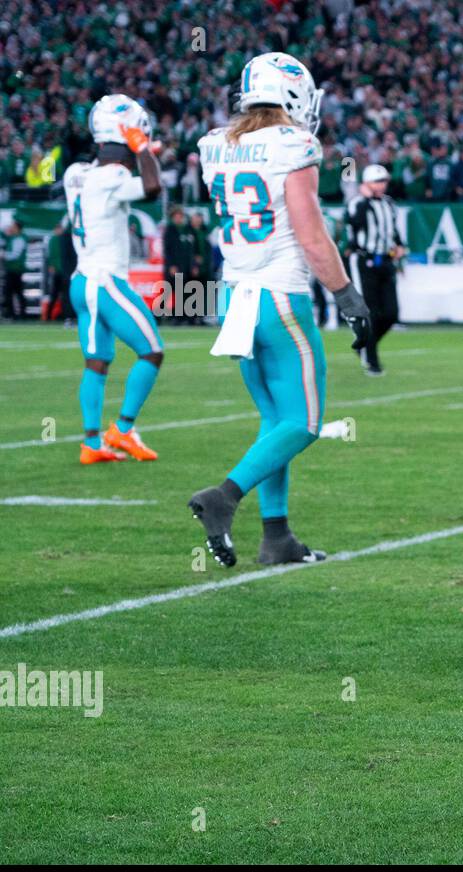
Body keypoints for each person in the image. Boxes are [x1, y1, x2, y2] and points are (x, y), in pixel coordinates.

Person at [188, 52, 371, 567]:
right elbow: (312, 236)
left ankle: (277, 538)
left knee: (275, 420)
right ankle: (223, 497)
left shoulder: (216, 145)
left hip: (235, 299)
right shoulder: (294, 144)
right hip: (279, 296)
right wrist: (346, 295)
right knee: (306, 422)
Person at [61, 95, 165, 464]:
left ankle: (91, 444)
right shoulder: (115, 177)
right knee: (152, 351)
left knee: (96, 363)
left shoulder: (75, 173)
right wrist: (143, 152)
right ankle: (122, 429)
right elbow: (153, 188)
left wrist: (141, 152)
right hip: (106, 281)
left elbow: (110, 172)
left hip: (81, 281)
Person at [346, 164, 405, 374]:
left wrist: (400, 246)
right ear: (367, 183)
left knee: (391, 313)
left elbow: (393, 230)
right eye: (378, 181)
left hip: (386, 261)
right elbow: (354, 223)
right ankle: (372, 361)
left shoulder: (389, 203)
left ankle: (365, 345)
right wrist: (366, 197)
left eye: (384, 181)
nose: (383, 185)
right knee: (370, 312)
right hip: (365, 261)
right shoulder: (358, 203)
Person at [2, 217, 27, 320]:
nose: (11, 228)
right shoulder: (13, 238)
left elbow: (15, 255)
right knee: (14, 292)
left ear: (17, 228)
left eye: (13, 226)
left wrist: (3, 255)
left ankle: (14, 314)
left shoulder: (19, 239)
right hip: (13, 269)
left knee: (13, 292)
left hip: (15, 269)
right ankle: (15, 314)